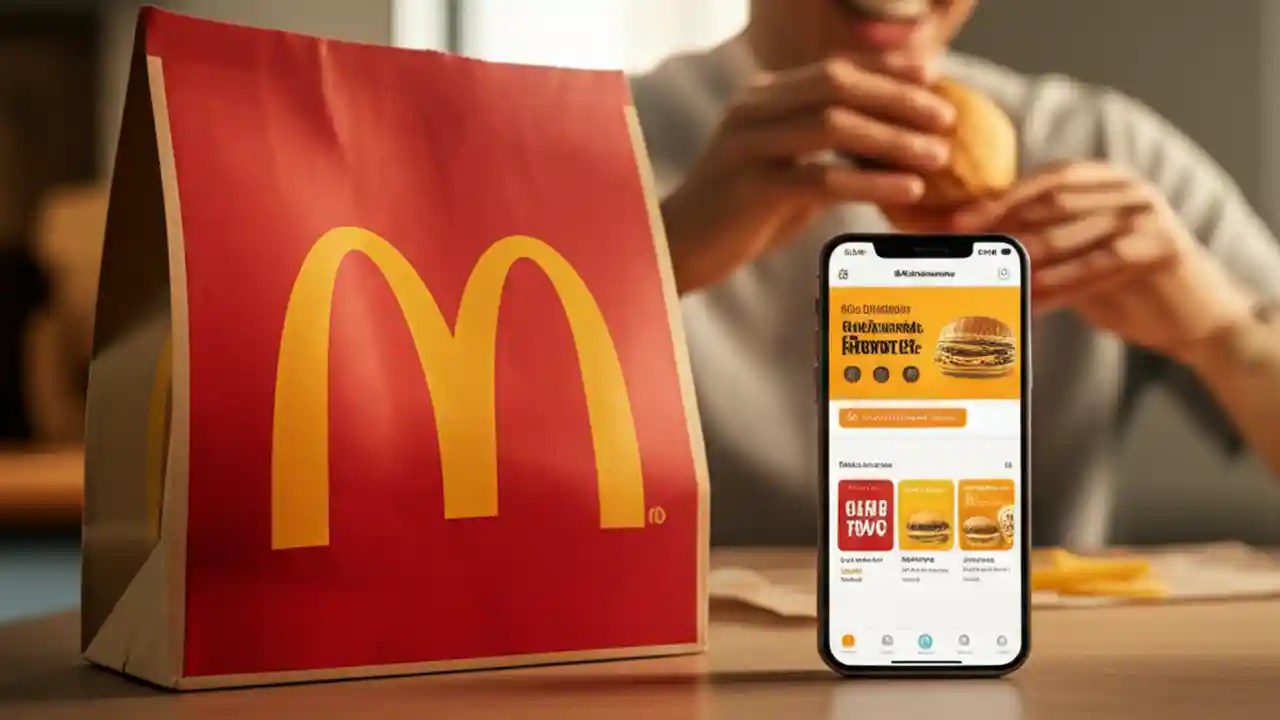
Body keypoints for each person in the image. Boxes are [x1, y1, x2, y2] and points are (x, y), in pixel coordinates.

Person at [630, 0, 1280, 548]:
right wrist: (653, 260)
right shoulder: (613, 142)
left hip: (1043, 652)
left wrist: (1222, 333)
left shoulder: (1102, 151)